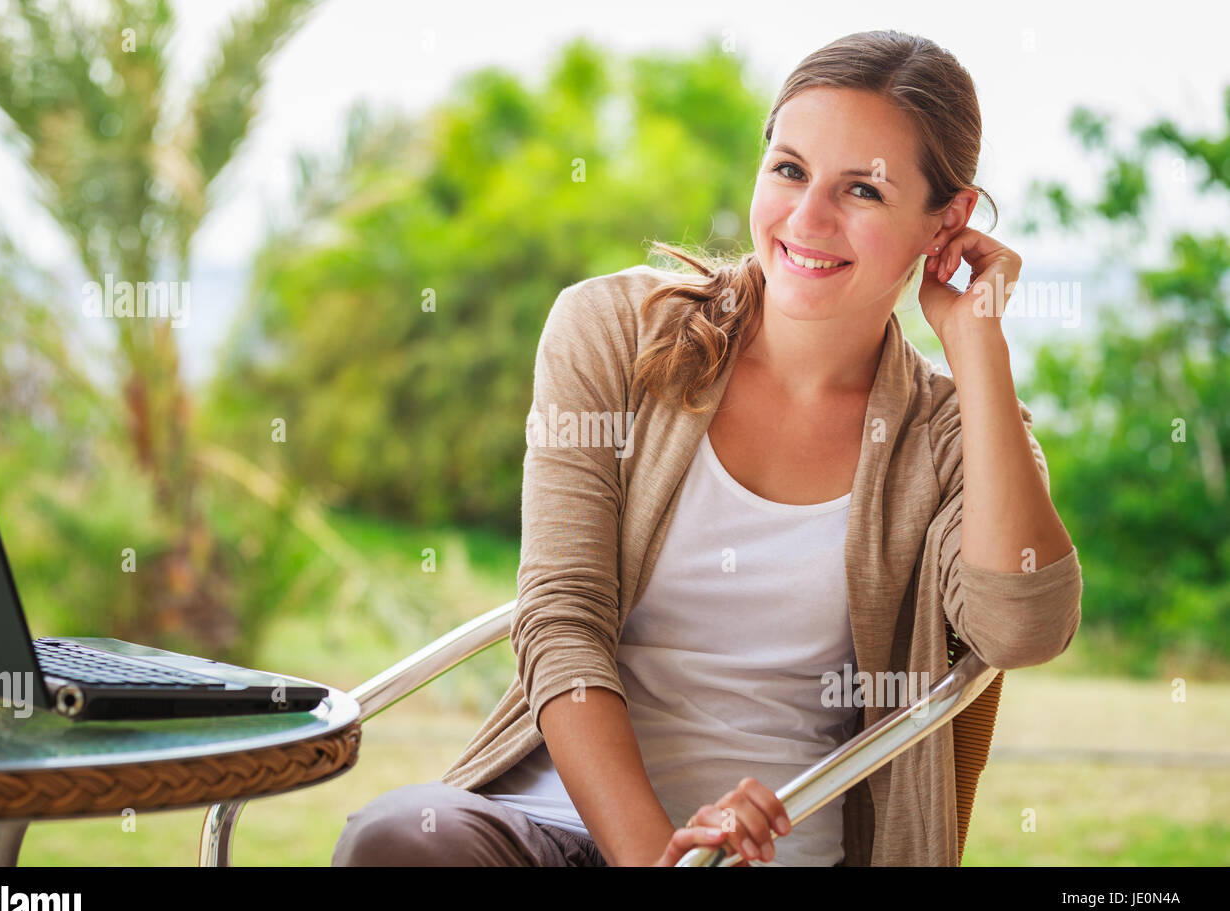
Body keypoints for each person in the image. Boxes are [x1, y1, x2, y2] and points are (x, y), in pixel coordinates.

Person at [332, 28, 1083, 868]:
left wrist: (977, 344)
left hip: (775, 848)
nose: (807, 219)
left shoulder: (952, 438)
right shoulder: (611, 331)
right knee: (395, 840)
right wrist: (656, 857)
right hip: (552, 828)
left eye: (863, 191)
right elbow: (562, 618)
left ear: (946, 221)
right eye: (789, 170)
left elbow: (1024, 629)